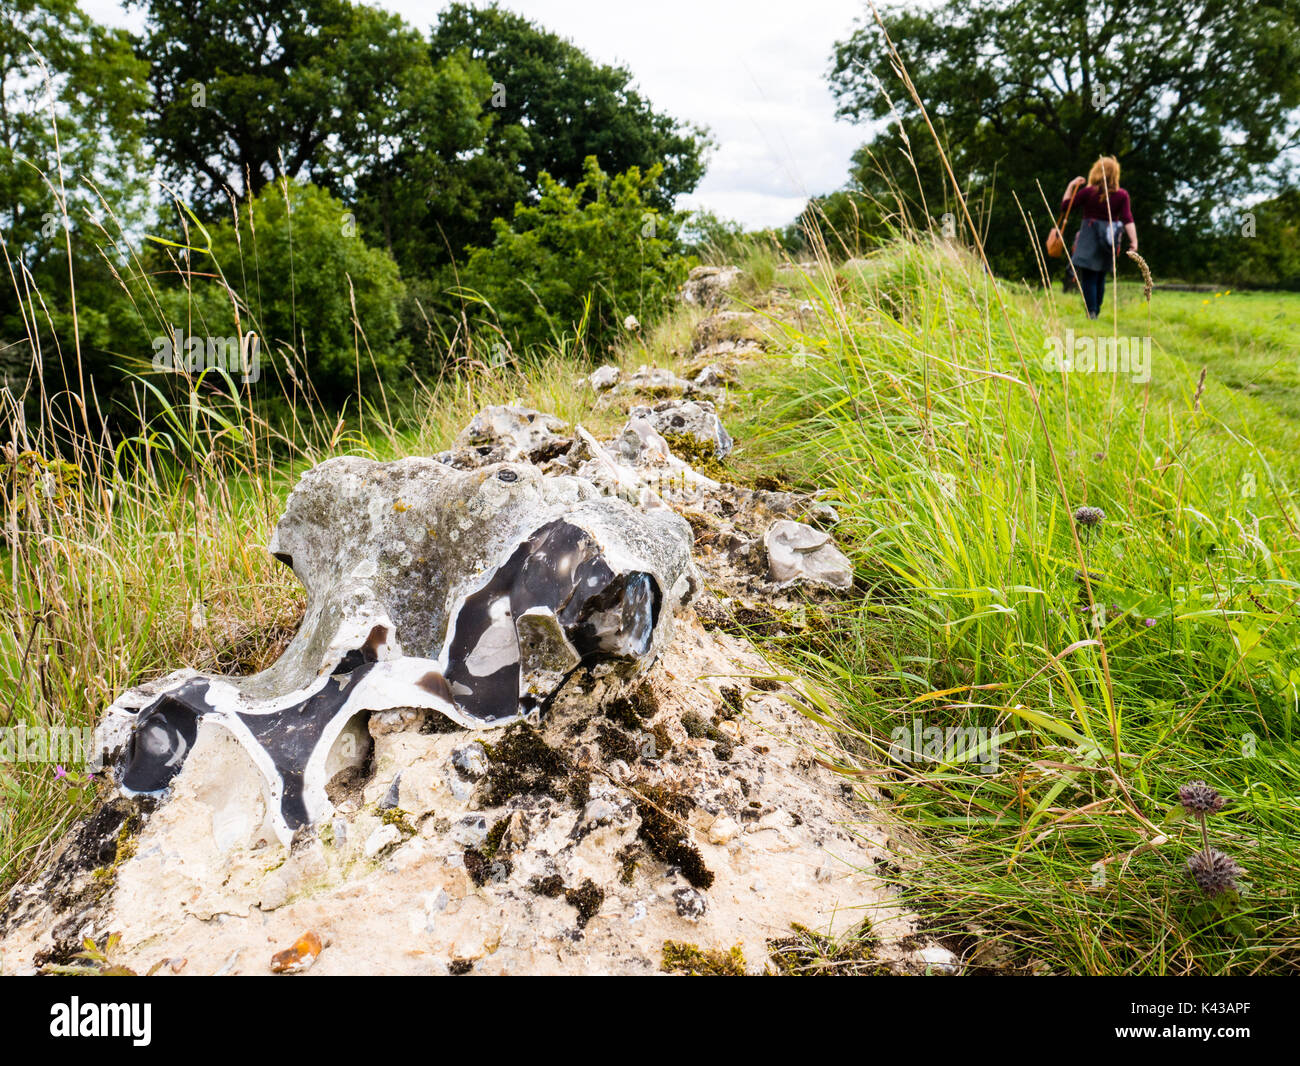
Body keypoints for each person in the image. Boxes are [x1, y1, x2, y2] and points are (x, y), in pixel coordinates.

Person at [1061, 157, 1138, 318]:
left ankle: (1092, 311)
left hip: (1089, 237)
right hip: (1109, 238)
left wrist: (1071, 186)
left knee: (1089, 276)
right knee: (1101, 275)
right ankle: (1096, 309)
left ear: (1096, 172)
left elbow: (1066, 207)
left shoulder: (1089, 192)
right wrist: (1134, 241)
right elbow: (1127, 218)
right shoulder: (1122, 195)